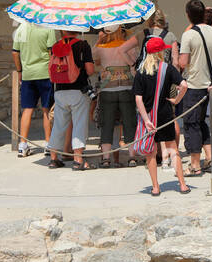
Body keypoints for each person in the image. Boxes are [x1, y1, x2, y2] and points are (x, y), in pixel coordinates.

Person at [132, 36, 190, 196]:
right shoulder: (168, 68)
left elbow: (138, 99)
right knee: (173, 149)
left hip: (149, 116)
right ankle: (183, 184)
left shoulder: (140, 71)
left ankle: (155, 187)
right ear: (160, 52)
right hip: (165, 113)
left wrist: (146, 120)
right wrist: (176, 100)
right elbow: (184, 85)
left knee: (150, 153)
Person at [177, 0, 212, 177]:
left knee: (191, 124)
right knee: (202, 122)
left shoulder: (188, 34)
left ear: (188, 15)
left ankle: (195, 165)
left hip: (194, 84)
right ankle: (210, 157)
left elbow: (182, 62)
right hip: (210, 84)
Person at [92, 25, 140, 168]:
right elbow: (135, 63)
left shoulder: (100, 48)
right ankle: (132, 157)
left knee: (106, 124)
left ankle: (106, 158)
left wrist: (99, 40)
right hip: (127, 88)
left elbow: (94, 59)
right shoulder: (129, 46)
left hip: (107, 90)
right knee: (129, 123)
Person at [47, 29, 95, 170]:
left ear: (62, 29)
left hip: (60, 91)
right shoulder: (83, 45)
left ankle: (53, 159)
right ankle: (78, 160)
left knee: (58, 125)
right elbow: (90, 69)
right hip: (78, 90)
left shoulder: (56, 46)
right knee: (79, 124)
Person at [12, 20, 56, 158]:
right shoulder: (48, 28)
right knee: (46, 109)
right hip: (45, 73)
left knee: (27, 109)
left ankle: (22, 145)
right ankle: (48, 144)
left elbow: (15, 53)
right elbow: (52, 52)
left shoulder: (21, 29)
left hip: (27, 74)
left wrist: (19, 70)